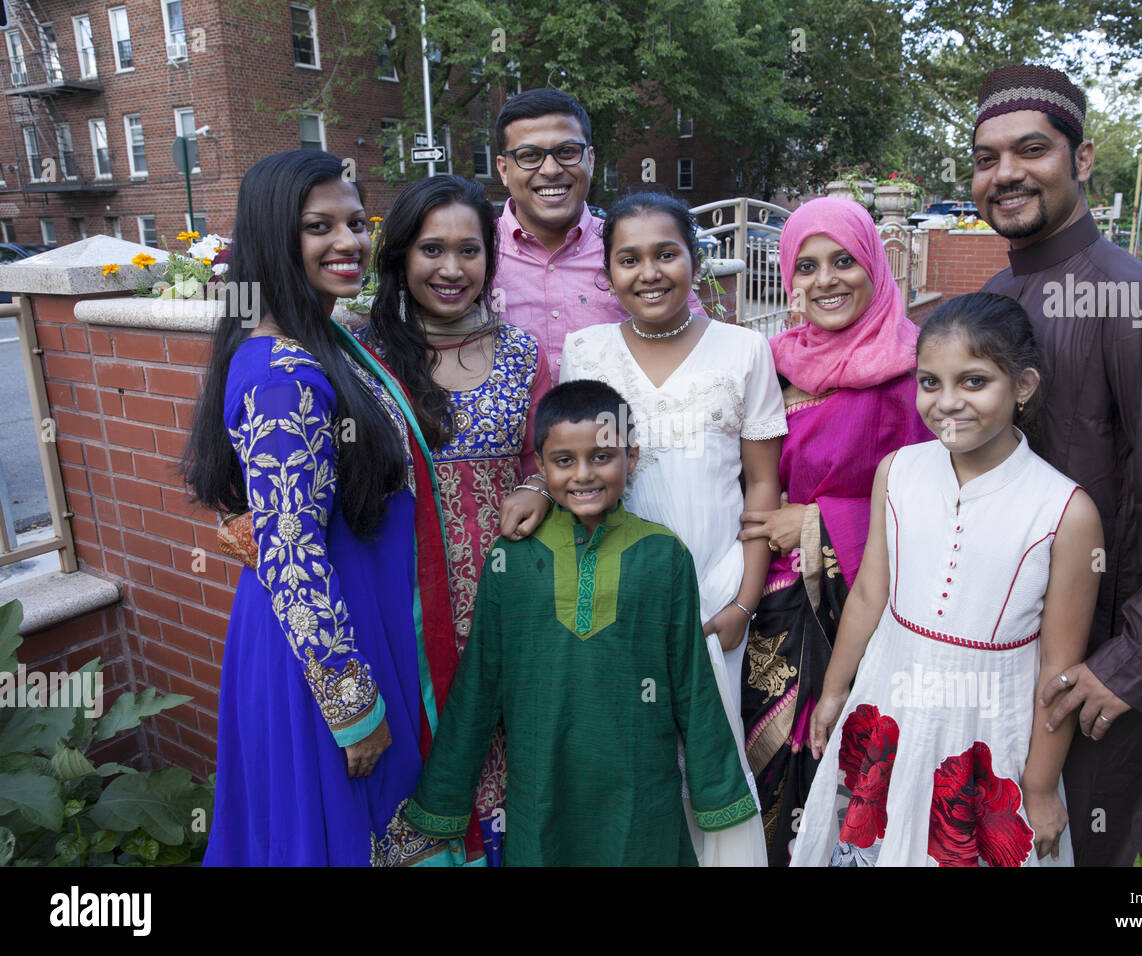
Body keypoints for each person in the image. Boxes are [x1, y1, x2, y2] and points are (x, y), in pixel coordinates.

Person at [971, 64, 1142, 866]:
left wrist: (1135, 662)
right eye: (986, 158)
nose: (1005, 173)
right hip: (1003, 653)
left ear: (1081, 162)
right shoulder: (992, 300)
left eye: (1032, 150)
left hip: (1099, 675)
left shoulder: (1131, 299)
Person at [184, 150, 461, 865]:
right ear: (276, 237)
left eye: (354, 221)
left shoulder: (322, 338)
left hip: (354, 623)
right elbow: (291, 557)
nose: (349, 242)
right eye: (318, 227)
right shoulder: (285, 377)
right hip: (324, 658)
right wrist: (350, 705)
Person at [789, 292, 1104, 867]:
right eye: (930, 382)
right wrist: (835, 691)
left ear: (1024, 386)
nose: (947, 403)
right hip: (888, 703)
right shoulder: (899, 471)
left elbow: (1060, 669)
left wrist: (1037, 786)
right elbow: (868, 595)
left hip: (989, 727)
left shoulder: (1065, 511)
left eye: (974, 381)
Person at [401, 380, 760, 865]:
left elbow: (691, 681)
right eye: (564, 461)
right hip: (542, 786)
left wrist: (717, 793)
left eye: (602, 457)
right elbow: (481, 678)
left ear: (631, 458)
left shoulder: (662, 554)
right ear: (541, 467)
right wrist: (443, 795)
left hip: (641, 786)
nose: (583, 474)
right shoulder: (512, 555)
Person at [560, 192, 783, 863]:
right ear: (607, 272)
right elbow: (571, 473)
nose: (648, 271)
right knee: (634, 753)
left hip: (715, 589)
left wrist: (744, 599)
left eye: (666, 253)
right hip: (618, 593)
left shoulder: (744, 351)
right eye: (629, 258)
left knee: (711, 756)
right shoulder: (585, 349)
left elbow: (762, 484)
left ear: (696, 259)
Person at [733, 196, 934, 865]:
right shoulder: (769, 362)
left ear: (875, 266)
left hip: (860, 618)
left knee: (842, 777)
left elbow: (936, 506)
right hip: (764, 609)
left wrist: (818, 519)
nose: (827, 280)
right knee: (760, 777)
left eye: (844, 261)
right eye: (808, 265)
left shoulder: (913, 374)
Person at [359, 174, 551, 865]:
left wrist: (536, 486)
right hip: (404, 604)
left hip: (508, 601)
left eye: (468, 251)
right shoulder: (362, 357)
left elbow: (547, 458)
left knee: (508, 760)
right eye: (430, 249)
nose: (450, 268)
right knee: (424, 756)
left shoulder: (524, 353)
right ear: (401, 258)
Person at [490, 88, 700, 383]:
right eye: (530, 156)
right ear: (503, 168)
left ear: (590, 158)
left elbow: (695, 345)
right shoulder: (476, 256)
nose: (550, 170)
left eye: (566, 152)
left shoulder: (632, 251)